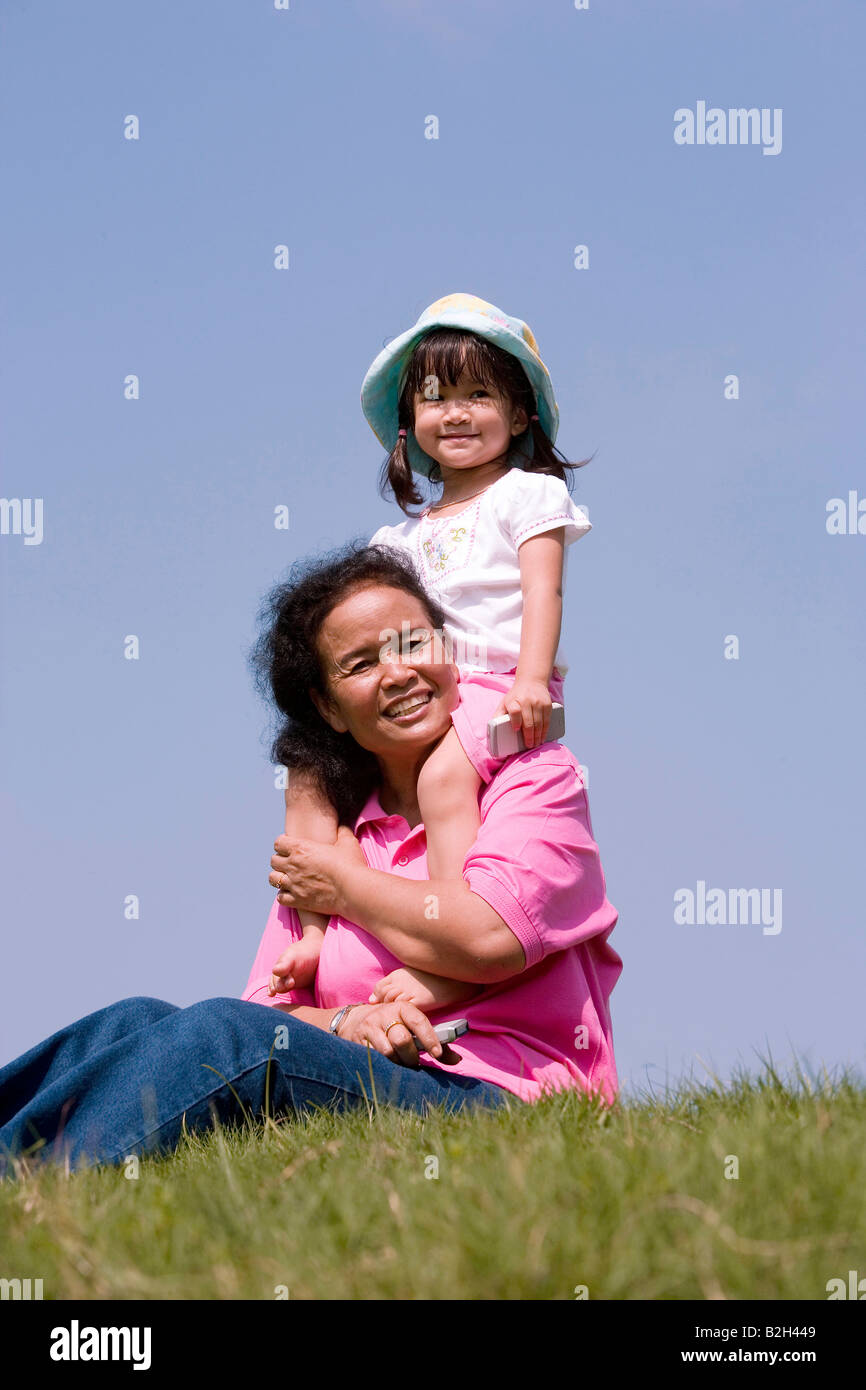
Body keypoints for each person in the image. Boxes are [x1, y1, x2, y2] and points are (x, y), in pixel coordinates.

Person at [0, 547, 621, 1176]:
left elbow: (490, 933)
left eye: (412, 643)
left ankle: (27, 1189)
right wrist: (350, 1020)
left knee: (221, 1036)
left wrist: (347, 887)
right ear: (329, 709)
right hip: (373, 1076)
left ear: (448, 650)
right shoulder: (335, 833)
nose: (398, 673)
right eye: (360, 664)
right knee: (133, 1021)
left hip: (499, 1097)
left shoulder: (534, 776)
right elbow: (266, 1008)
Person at [271, 292, 595, 1008]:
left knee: (444, 781)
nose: (455, 411)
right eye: (435, 396)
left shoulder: (528, 495)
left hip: (500, 686)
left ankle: (447, 958)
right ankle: (314, 933)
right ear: (410, 424)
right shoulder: (399, 541)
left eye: (479, 394)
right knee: (308, 771)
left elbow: (545, 594)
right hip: (428, 686)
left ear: (518, 415)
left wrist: (533, 680)